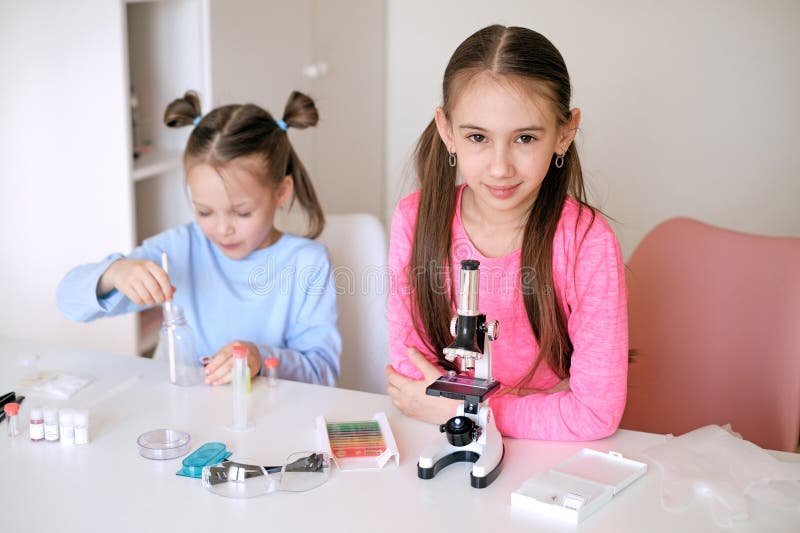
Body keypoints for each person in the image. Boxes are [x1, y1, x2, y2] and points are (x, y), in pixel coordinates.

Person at [385, 25, 628, 440]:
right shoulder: (414, 219)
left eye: (525, 138)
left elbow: (594, 413)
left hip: (547, 454)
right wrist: (539, 403)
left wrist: (461, 408)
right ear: (447, 130)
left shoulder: (587, 242)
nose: (500, 167)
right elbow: (409, 374)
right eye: (478, 137)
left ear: (564, 133)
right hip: (449, 439)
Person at [57, 91, 341, 386]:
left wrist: (259, 358)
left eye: (242, 213)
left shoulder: (308, 263)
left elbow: (323, 373)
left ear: (281, 192)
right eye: (205, 212)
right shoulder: (178, 250)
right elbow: (68, 302)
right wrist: (114, 274)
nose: (222, 229)